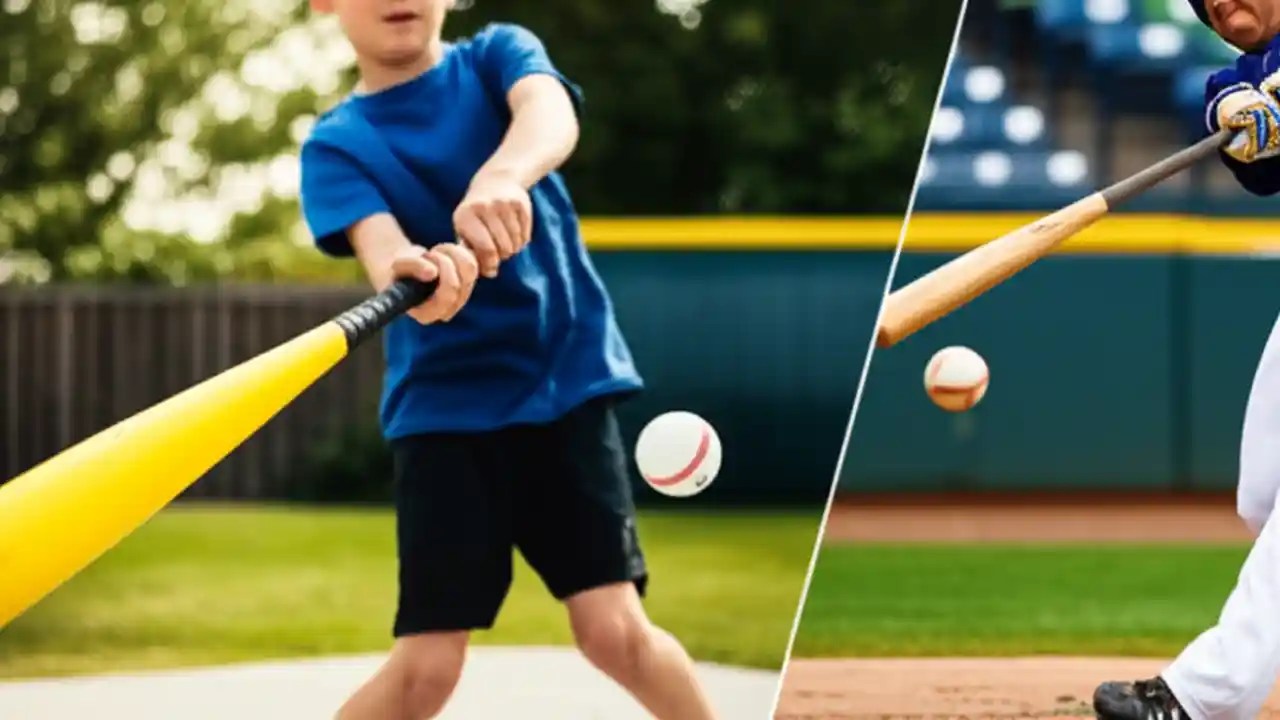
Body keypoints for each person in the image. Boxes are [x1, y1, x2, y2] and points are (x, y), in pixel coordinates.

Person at [297, 2, 718, 718]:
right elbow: (382, 251)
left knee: (615, 632)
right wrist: (414, 278)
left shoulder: (496, 55)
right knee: (427, 668)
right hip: (444, 414)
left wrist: (501, 176)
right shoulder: (336, 145)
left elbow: (551, 116)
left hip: (565, 383)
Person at [1094, 2, 1280, 718]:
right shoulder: (1235, 82)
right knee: (1260, 497)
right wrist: (1239, 113)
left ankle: (1203, 696)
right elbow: (1262, 173)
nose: (1225, 5)